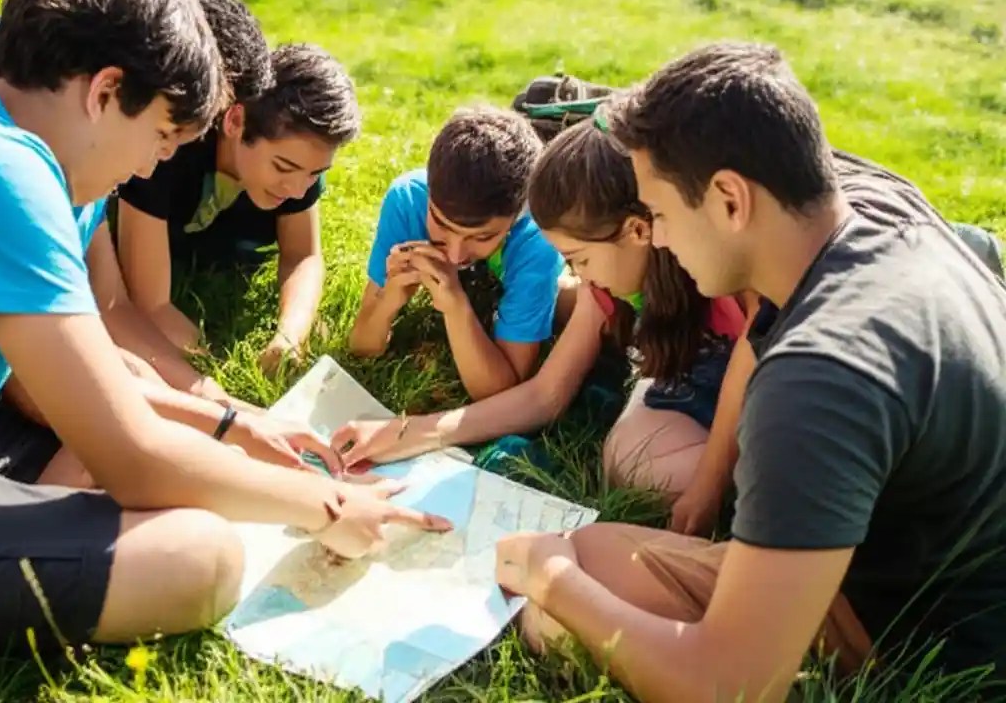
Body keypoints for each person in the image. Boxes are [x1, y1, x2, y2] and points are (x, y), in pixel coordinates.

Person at [0, 0, 448, 663]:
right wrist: (329, 505)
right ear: (104, 92)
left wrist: (231, 423)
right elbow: (132, 456)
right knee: (199, 558)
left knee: (149, 472)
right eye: (161, 134)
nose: (153, 167)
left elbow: (87, 378)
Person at [492, 42, 1006, 702]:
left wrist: (552, 578)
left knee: (559, 607)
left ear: (730, 200)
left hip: (934, 642)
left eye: (662, 213)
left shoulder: (815, 378)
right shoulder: (869, 201)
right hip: (936, 561)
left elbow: (729, 686)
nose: (659, 238)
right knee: (591, 554)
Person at [336, 85, 1006, 538]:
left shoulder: (719, 265)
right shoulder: (614, 278)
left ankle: (964, 250)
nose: (576, 276)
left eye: (580, 258)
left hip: (783, 367)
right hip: (706, 362)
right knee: (629, 457)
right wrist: (414, 433)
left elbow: (755, 357)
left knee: (688, 466)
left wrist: (710, 485)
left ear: (639, 230)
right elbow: (543, 395)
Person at [0, 0, 341, 484]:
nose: (166, 157)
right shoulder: (1, 168)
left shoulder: (90, 165)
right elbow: (52, 379)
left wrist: (220, 408)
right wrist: (225, 421)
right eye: (170, 129)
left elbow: (110, 309)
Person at [116, 39, 360, 377]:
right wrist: (223, 371)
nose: (297, 190)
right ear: (235, 122)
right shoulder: (167, 153)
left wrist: (291, 335)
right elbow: (151, 304)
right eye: (283, 167)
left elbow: (302, 254)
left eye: (315, 174)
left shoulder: (299, 169)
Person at [348, 106, 566, 401]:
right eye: (441, 224)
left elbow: (499, 392)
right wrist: (389, 300)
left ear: (516, 215)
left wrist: (457, 308)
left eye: (482, 237)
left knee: (569, 297)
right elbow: (361, 346)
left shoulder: (537, 238)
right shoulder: (408, 200)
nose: (454, 255)